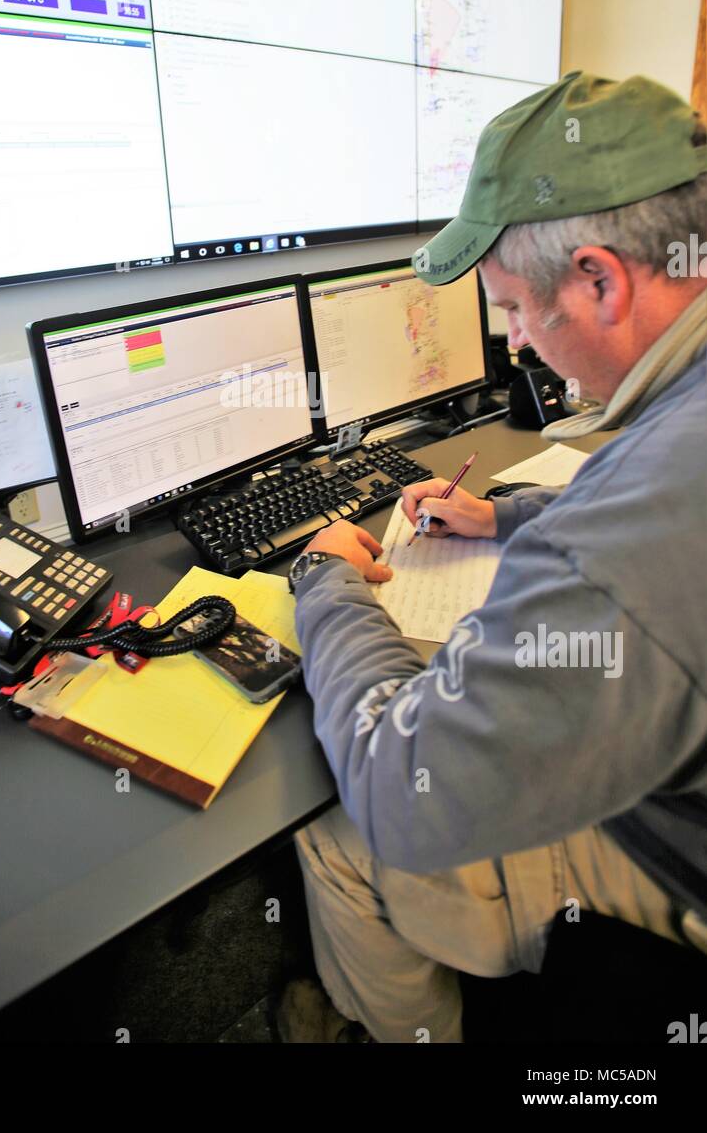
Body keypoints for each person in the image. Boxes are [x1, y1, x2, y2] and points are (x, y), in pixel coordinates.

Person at [279, 71, 707, 1043]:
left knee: (339, 832)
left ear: (599, 277)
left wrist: (326, 584)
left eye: (512, 309)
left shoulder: (642, 528)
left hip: (676, 861)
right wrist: (506, 516)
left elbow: (402, 790)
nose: (514, 342)